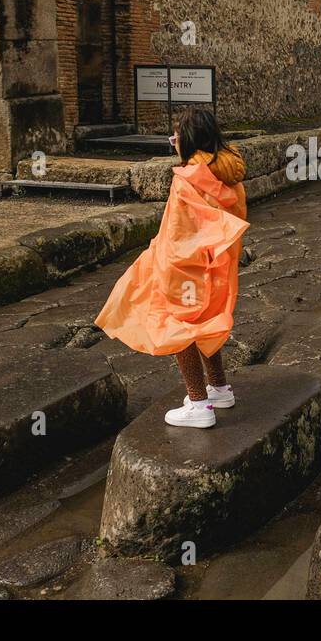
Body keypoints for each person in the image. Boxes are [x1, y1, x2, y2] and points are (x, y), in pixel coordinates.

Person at [96, 107, 249, 429]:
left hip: (186, 267)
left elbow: (179, 233)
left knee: (179, 329)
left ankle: (198, 404)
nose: (174, 141)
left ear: (189, 139)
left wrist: (162, 263)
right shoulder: (229, 173)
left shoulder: (188, 180)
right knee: (205, 325)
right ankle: (219, 388)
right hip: (217, 266)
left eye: (177, 136)